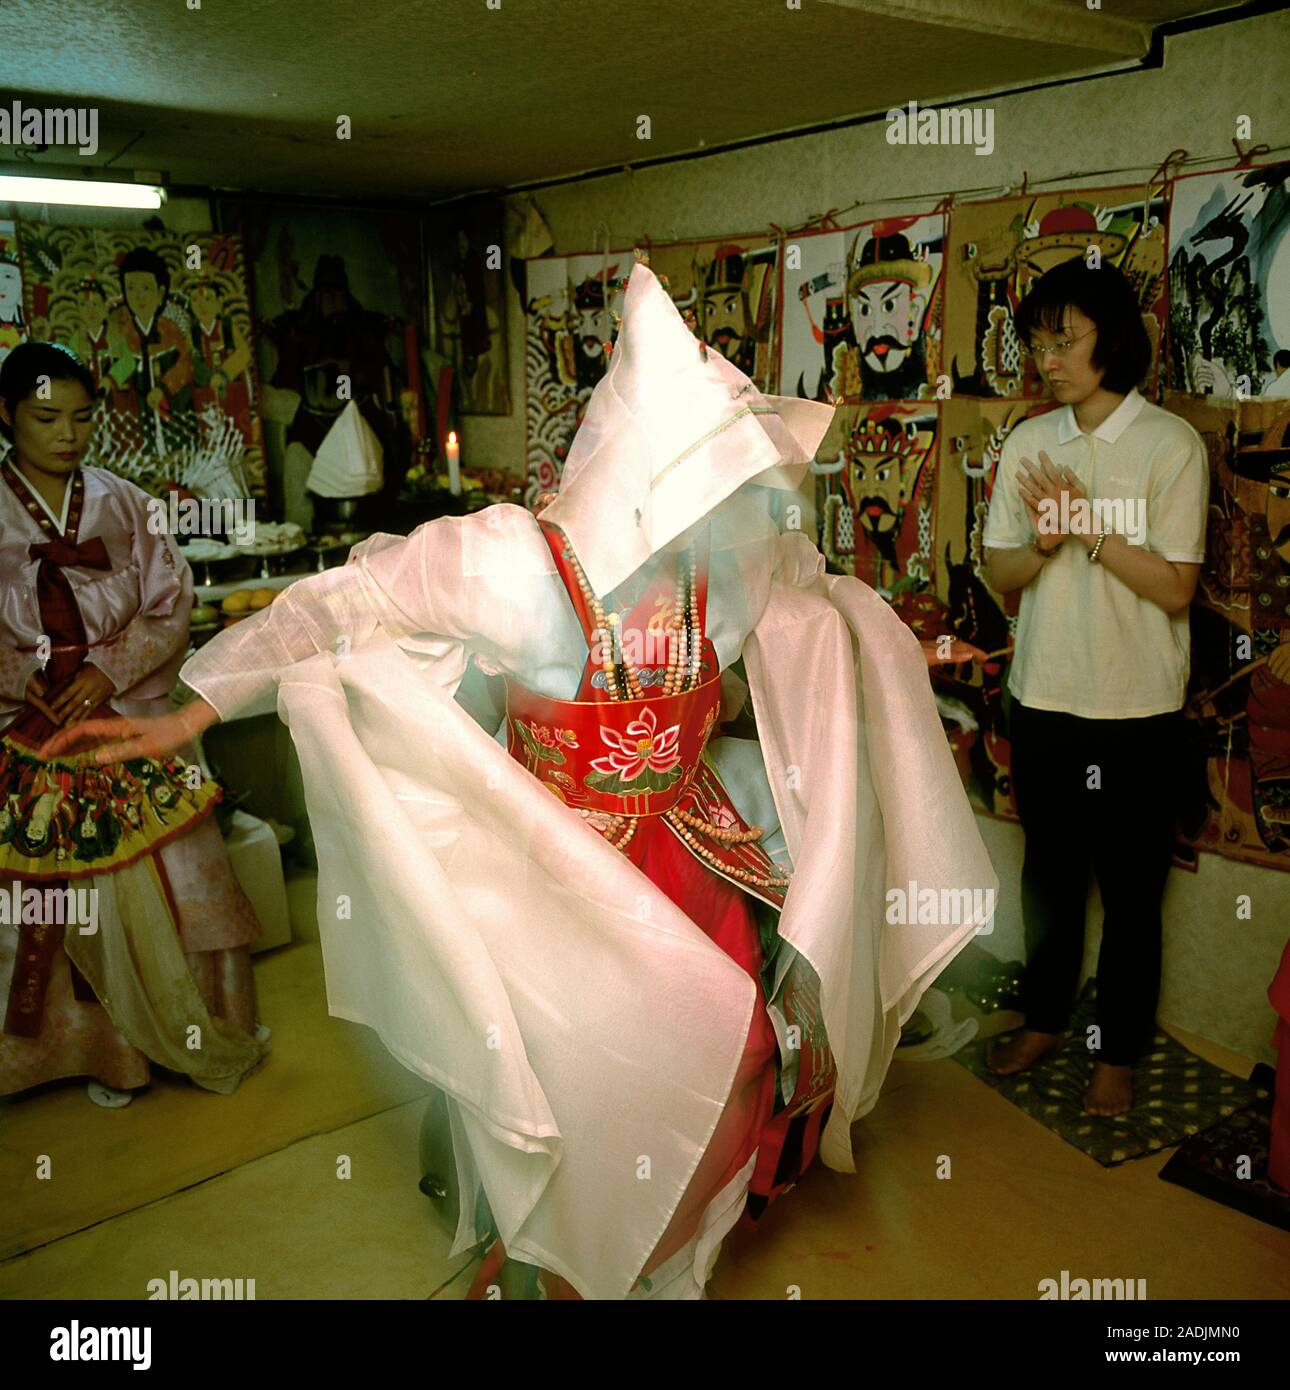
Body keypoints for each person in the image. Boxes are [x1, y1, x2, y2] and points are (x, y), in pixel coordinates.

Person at [48, 263, 995, 1298]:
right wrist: (190, 709)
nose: (731, 501)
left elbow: (815, 597)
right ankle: (557, 1261)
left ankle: (657, 1252)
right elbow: (337, 604)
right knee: (571, 1086)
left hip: (688, 851)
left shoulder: (731, 557)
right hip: (551, 864)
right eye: (710, 478)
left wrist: (910, 648)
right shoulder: (510, 562)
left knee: (733, 1048)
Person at [0, 341, 267, 1106]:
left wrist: (104, 671)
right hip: (29, 727)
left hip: (124, 714)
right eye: (46, 417)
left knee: (179, 873)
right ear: (6, 415)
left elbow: (172, 604)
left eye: (82, 418)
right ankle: (95, 1049)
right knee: (54, 884)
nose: (68, 435)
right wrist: (25, 678)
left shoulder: (125, 502)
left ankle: (192, 1030)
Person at [981, 258, 1208, 1117]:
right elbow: (1001, 566)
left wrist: (1087, 531)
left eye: (1062, 340)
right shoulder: (1030, 444)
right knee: (1048, 878)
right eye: (1038, 341)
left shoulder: (1169, 445)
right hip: (1044, 699)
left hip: (1137, 710)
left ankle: (1115, 1054)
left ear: (1111, 341)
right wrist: (1041, 543)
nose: (1047, 358)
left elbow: (1178, 587)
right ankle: (1044, 1020)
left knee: (1133, 894)